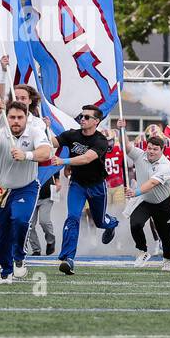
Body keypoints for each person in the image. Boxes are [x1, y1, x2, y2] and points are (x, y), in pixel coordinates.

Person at [0, 97, 51, 283]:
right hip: (1, 189)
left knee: (20, 220)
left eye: (20, 117)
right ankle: (5, 270)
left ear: (26, 117)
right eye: (12, 117)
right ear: (7, 117)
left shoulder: (35, 132)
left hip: (26, 187)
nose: (16, 121)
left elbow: (47, 152)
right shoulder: (2, 133)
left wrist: (26, 155)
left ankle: (19, 256)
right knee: (1, 234)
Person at [53, 104, 118, 275]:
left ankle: (112, 224)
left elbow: (87, 158)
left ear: (96, 121)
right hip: (77, 184)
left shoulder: (100, 141)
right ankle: (68, 258)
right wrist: (42, 129)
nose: (82, 119)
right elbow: (52, 142)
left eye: (87, 117)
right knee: (73, 217)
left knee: (100, 222)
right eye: (81, 116)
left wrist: (63, 161)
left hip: (97, 186)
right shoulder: (71, 134)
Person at [126, 133, 170, 270]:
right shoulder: (140, 155)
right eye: (149, 148)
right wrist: (121, 130)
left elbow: (153, 182)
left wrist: (135, 192)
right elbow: (126, 146)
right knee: (135, 224)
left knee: (165, 236)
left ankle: (167, 259)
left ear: (162, 150)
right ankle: (143, 251)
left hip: (162, 203)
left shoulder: (166, 165)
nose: (151, 151)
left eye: (155, 149)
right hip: (145, 200)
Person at [27, 171, 58, 257]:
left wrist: (57, 180)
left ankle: (50, 241)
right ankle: (36, 249)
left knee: (44, 221)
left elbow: (55, 165)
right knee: (29, 225)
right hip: (30, 196)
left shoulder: (46, 157)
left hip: (46, 195)